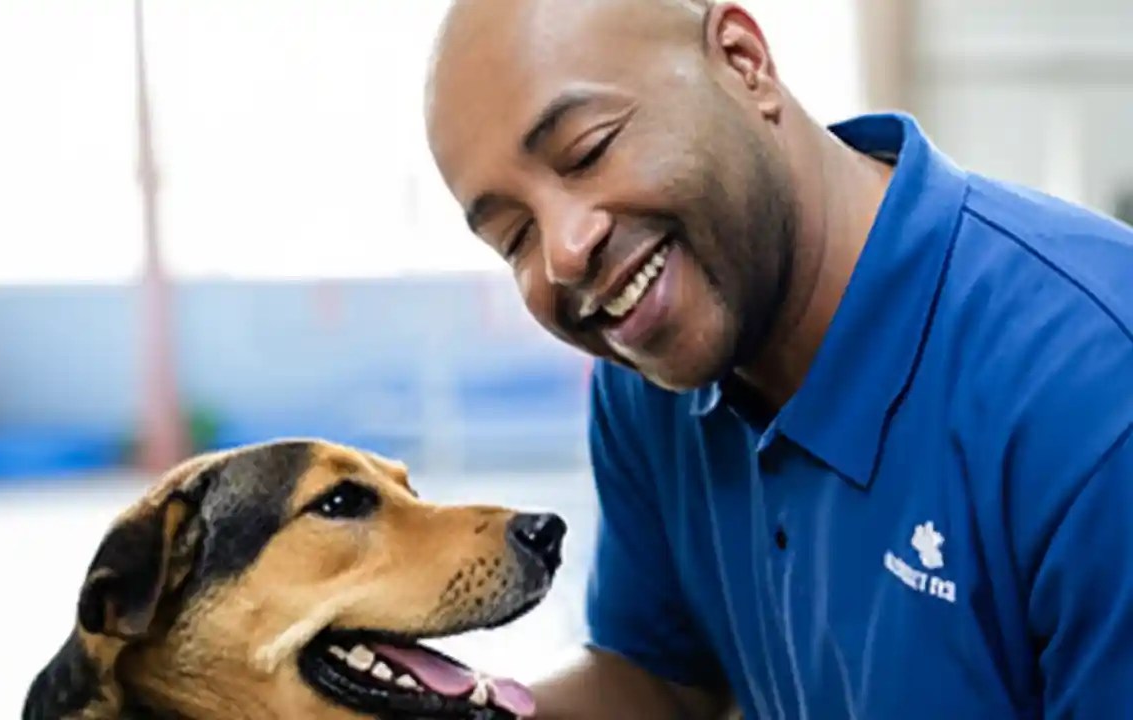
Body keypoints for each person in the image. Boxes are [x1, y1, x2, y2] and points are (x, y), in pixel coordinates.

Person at [424, 0, 1133, 718]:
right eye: (516, 237)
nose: (566, 254)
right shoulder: (650, 376)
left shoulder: (1093, 395)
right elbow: (665, 683)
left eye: (589, 151)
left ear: (744, 63)